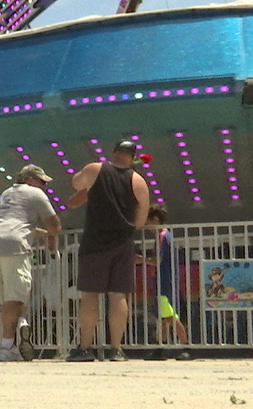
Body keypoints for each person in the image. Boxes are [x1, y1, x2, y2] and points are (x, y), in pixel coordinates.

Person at [66, 140, 150, 362]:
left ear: (113, 152)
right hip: (123, 244)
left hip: (95, 242)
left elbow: (75, 184)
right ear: (133, 157)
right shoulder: (139, 181)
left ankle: (84, 348)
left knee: (90, 295)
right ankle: (116, 349)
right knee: (118, 295)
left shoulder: (95, 169)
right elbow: (140, 221)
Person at [0, 164, 62, 362]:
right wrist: (51, 238)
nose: (44, 186)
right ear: (31, 180)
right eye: (42, 181)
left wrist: (38, 233)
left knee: (7, 299)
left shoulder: (8, 193)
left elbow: (13, 219)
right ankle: (7, 345)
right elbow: (54, 224)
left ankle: (20, 326)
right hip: (15, 246)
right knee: (16, 298)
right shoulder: (35, 193)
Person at [143, 204, 192, 361]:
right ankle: (160, 347)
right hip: (164, 280)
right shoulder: (165, 237)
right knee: (164, 317)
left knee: (170, 316)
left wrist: (140, 259)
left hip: (165, 281)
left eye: (148, 221)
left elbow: (157, 261)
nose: (146, 226)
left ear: (155, 220)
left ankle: (186, 346)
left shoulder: (162, 237)